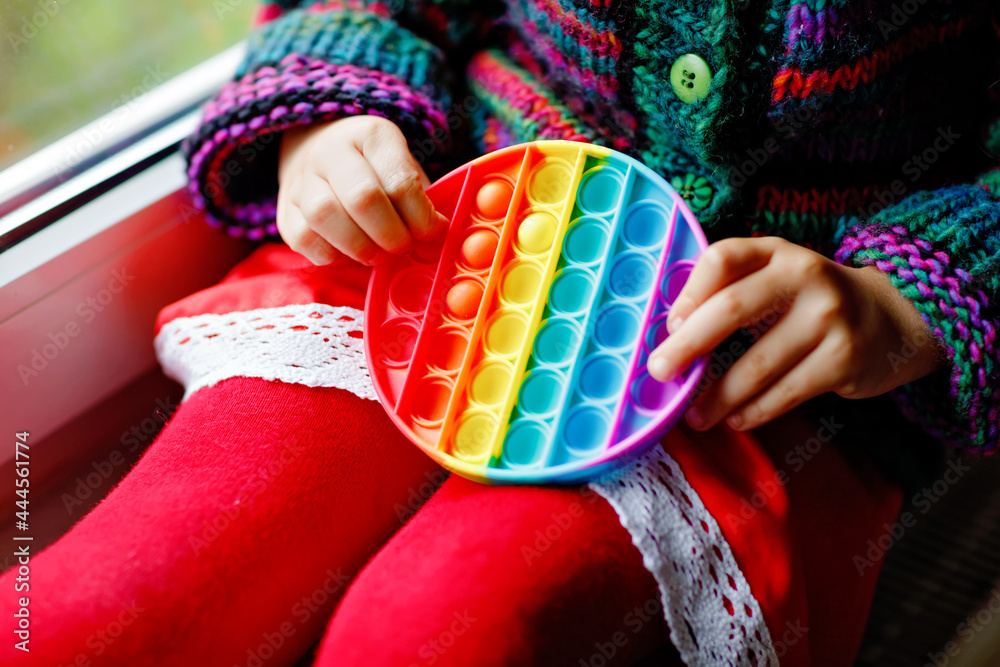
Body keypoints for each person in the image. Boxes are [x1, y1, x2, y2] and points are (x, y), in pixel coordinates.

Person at [6, 0, 999, 664]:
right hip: (445, 245)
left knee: (443, 632)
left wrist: (915, 299)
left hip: (772, 363)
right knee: (117, 600)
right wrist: (333, 103)